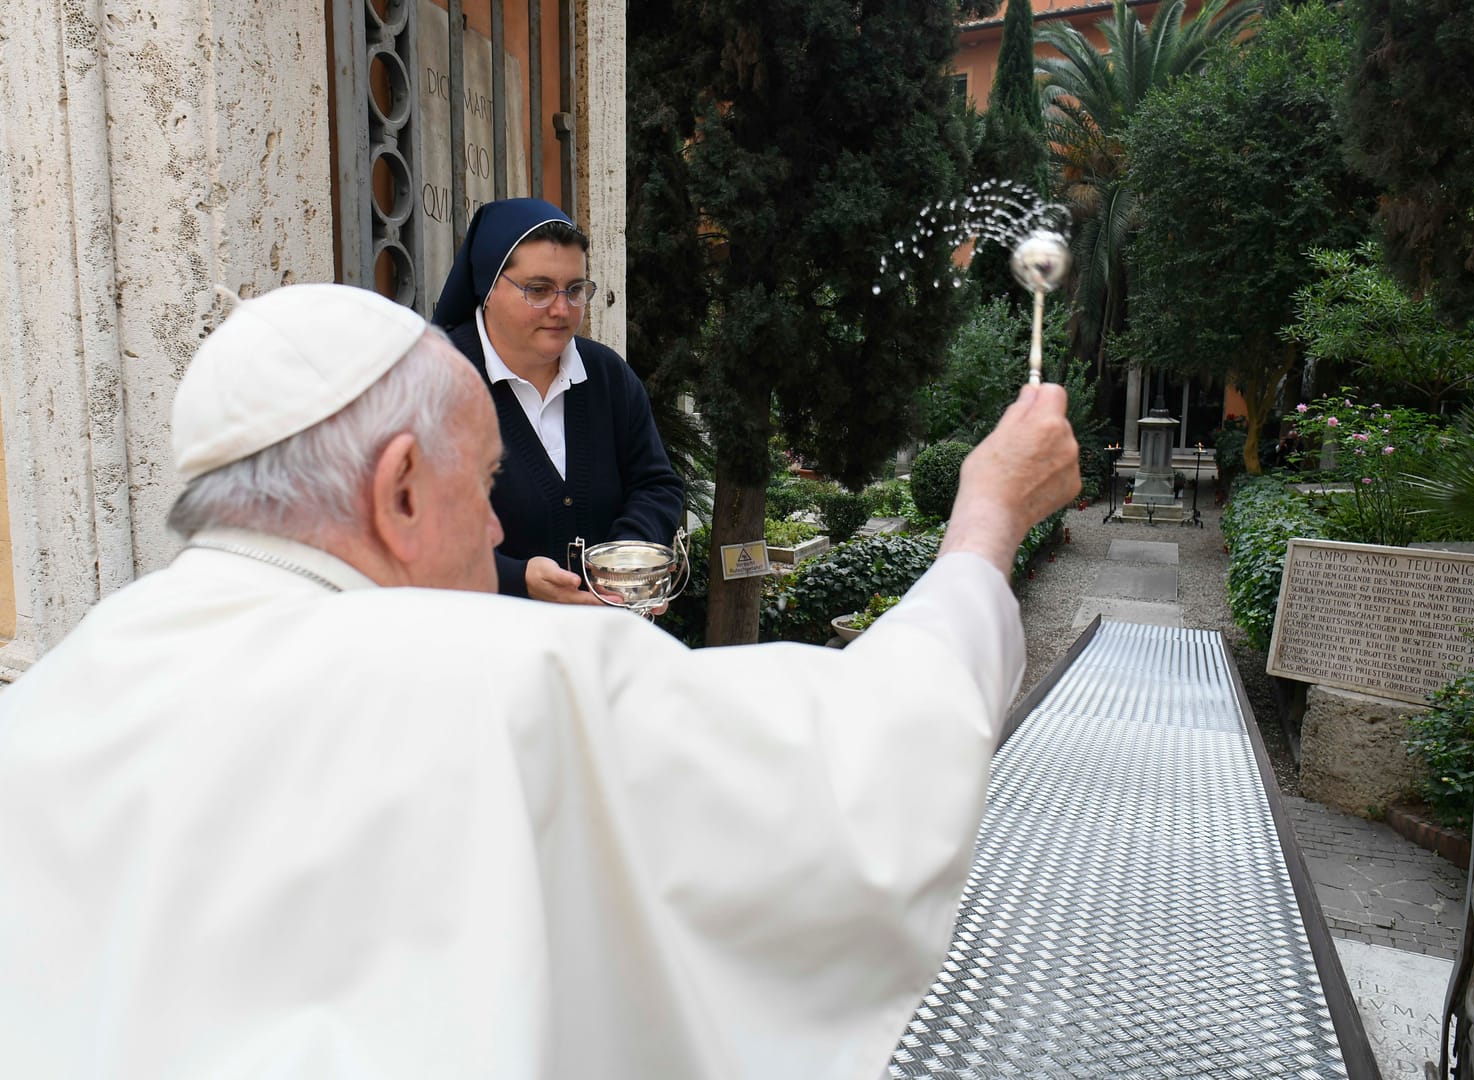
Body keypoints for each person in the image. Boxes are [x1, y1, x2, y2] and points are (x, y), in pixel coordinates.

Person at [0, 284, 1080, 1079]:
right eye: (484, 484)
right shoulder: (510, 676)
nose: (504, 527)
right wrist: (987, 514)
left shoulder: (59, 692)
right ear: (401, 492)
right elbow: (865, 759)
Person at [432, 197, 684, 604]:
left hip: (603, 637)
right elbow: (417, 533)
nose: (562, 309)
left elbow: (656, 483)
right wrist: (516, 578)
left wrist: (626, 561)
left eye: (575, 290)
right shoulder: (434, 384)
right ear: (488, 288)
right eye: (539, 289)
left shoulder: (607, 375)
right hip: (482, 646)